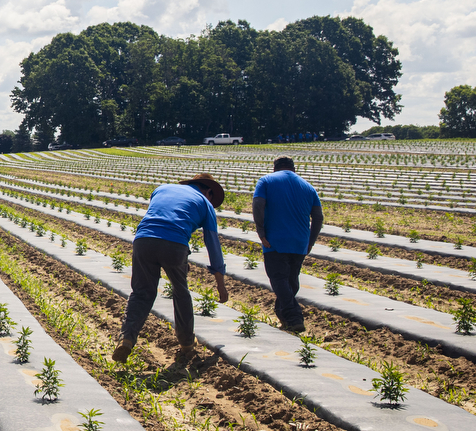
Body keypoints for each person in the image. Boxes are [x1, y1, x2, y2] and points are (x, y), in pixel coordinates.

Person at [113, 173, 229, 366]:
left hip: (143, 240)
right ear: (208, 191)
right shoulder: (205, 203)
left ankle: (126, 338)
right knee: (180, 292)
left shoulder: (162, 189)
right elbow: (213, 246)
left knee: (141, 293)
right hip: (174, 244)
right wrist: (221, 285)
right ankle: (186, 345)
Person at [252, 156, 324, 335]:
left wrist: (261, 231)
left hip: (275, 240)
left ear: (275, 168)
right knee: (291, 281)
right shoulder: (308, 187)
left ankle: (294, 317)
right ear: (294, 169)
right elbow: (318, 217)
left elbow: (258, 204)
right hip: (300, 241)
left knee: (279, 279)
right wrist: (310, 241)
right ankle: (284, 316)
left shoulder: (266, 181)